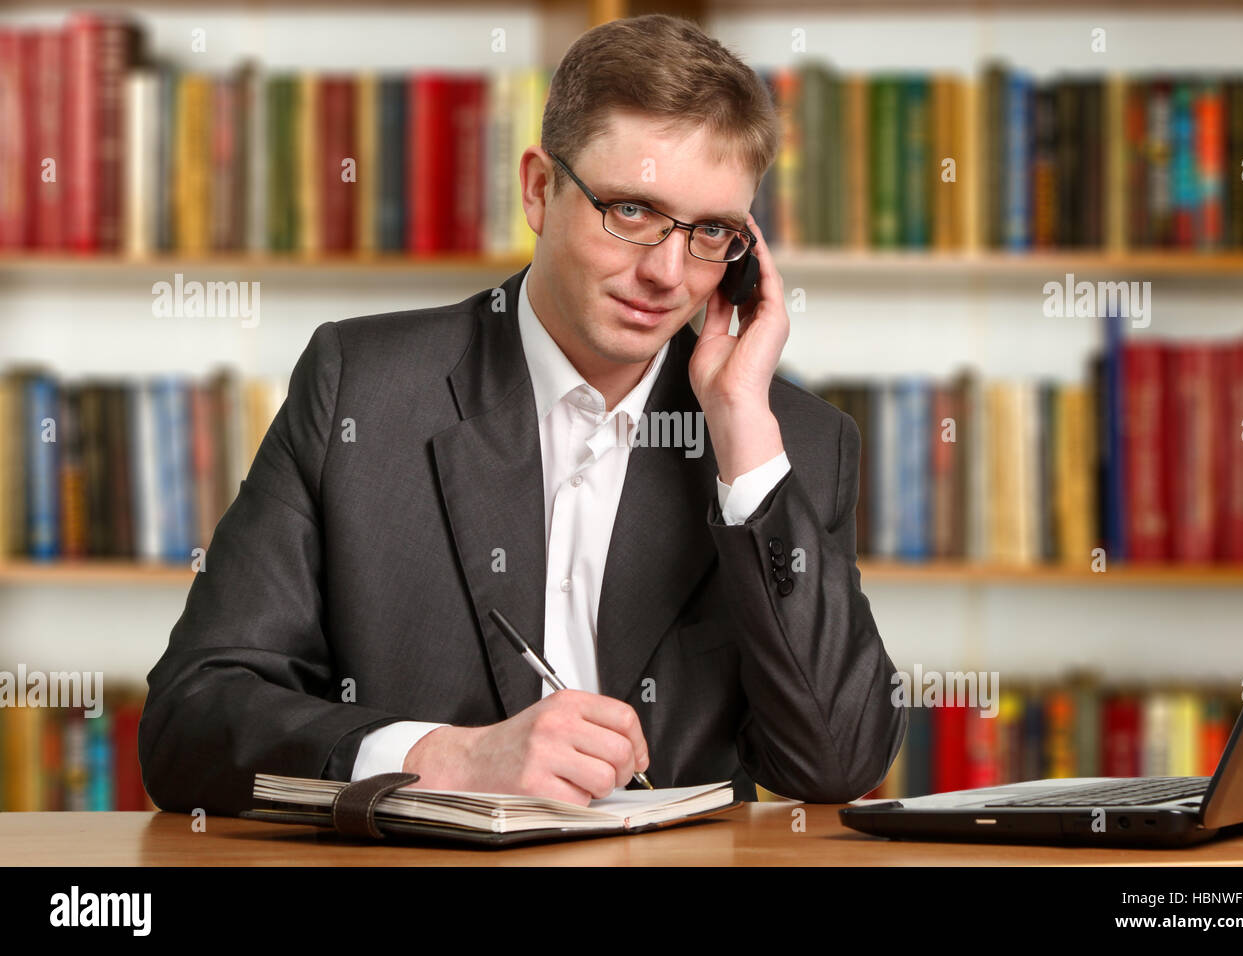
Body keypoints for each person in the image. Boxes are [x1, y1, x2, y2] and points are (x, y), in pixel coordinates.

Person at [139, 13, 906, 814]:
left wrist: (741, 438)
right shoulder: (360, 389)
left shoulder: (787, 443)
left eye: (711, 230)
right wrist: (443, 759)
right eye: (633, 211)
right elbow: (191, 721)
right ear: (540, 189)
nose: (667, 274)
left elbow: (838, 762)